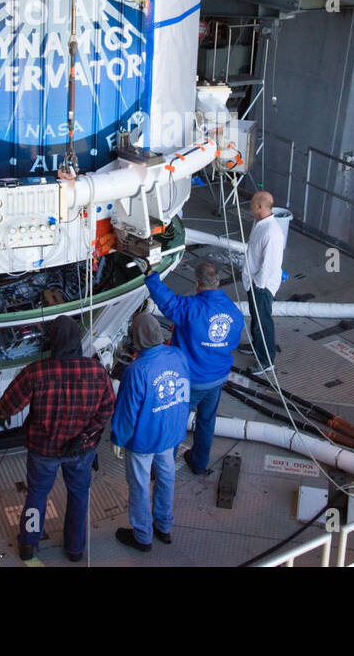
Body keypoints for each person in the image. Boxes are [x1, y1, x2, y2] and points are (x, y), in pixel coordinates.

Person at [0, 315, 115, 563]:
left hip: (43, 449)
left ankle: (28, 543)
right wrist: (84, 437)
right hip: (80, 450)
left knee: (37, 495)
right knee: (79, 495)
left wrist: (3, 413)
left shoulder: (36, 372)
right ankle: (74, 548)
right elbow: (106, 410)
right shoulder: (96, 371)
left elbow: (10, 403)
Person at [142, 260, 242, 475]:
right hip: (217, 378)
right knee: (206, 421)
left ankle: (161, 471)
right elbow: (232, 343)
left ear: (197, 283)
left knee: (175, 422)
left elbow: (167, 301)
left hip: (191, 380)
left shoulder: (190, 308)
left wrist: (151, 276)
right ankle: (199, 463)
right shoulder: (233, 311)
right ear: (217, 282)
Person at [109, 312, 190, 552]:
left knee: (140, 485)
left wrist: (118, 438)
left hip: (144, 440)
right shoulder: (177, 355)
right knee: (166, 477)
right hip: (170, 433)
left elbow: (127, 411)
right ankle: (163, 526)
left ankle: (143, 535)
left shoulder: (137, 370)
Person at [242, 191, 286, 375]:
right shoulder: (260, 222)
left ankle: (266, 360)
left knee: (263, 321)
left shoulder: (272, 233)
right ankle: (256, 344)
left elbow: (269, 264)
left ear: (260, 207)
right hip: (255, 282)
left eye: (253, 203)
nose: (250, 205)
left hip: (262, 285)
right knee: (256, 316)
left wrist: (257, 284)